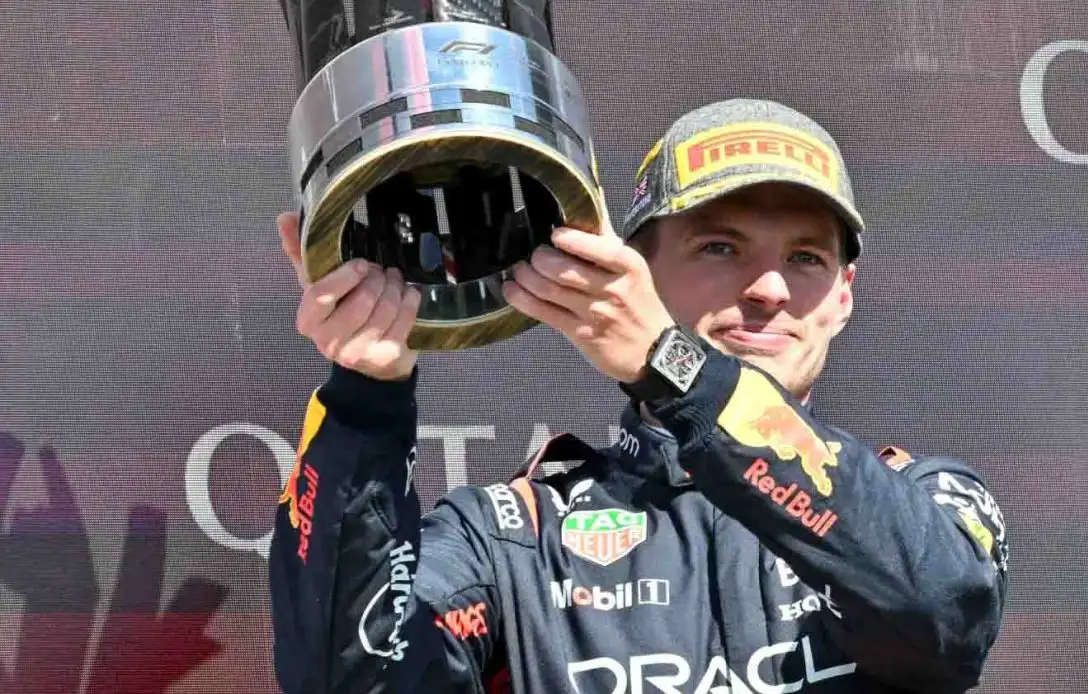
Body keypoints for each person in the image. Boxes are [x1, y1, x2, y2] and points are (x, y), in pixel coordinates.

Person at [269, 98, 1009, 694]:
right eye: (720, 247)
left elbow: (944, 621)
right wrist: (366, 402)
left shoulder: (923, 498)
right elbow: (350, 678)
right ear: (638, 268)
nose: (770, 288)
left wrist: (675, 367)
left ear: (843, 297)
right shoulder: (514, 538)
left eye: (807, 257)